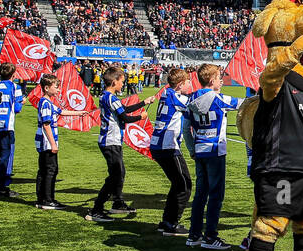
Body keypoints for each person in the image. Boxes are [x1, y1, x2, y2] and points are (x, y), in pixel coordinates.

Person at [86, 66, 159, 223]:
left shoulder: (107, 96)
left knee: (119, 172)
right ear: (113, 82)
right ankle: (97, 209)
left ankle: (117, 202)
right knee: (115, 175)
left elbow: (123, 109)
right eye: (121, 82)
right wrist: (141, 115)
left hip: (112, 140)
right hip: (110, 141)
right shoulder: (110, 98)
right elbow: (125, 117)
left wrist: (143, 102)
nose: (123, 85)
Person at [184, 63, 242, 250]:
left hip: (200, 149)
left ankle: (194, 235)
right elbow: (245, 104)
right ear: (211, 80)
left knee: (200, 194)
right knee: (216, 195)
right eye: (219, 78)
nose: (221, 81)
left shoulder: (190, 99)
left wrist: (192, 149)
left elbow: (186, 129)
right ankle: (210, 236)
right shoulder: (218, 99)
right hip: (215, 150)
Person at [151, 67, 193, 237]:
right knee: (184, 184)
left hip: (160, 145)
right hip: (167, 146)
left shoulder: (167, 94)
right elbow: (196, 105)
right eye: (188, 82)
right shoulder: (176, 97)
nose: (191, 84)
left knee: (177, 183)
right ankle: (171, 223)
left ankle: (166, 221)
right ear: (180, 84)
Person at [33, 71, 78, 210]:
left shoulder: (47, 102)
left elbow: (61, 111)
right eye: (56, 87)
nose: (58, 89)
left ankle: (42, 199)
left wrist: (80, 113)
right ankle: (47, 200)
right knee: (51, 170)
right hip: (47, 142)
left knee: (44, 170)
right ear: (46, 88)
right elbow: (46, 124)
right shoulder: (45, 103)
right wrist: (53, 144)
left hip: (44, 142)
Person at [0, 62, 23, 198]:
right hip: (6, 125)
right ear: (14, 74)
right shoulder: (14, 87)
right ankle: (1, 187)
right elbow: (17, 109)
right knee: (4, 156)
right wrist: (20, 103)